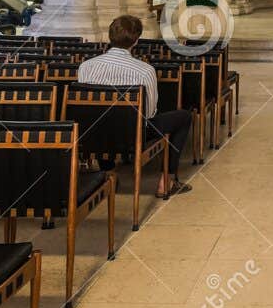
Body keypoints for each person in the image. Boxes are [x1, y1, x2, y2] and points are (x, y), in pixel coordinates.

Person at [76, 15, 194, 198]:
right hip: (133, 135)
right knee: (184, 117)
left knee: (100, 117)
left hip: (94, 135)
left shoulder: (85, 67)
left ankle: (108, 172)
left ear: (110, 37)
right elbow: (149, 112)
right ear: (136, 40)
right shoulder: (145, 70)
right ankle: (167, 181)